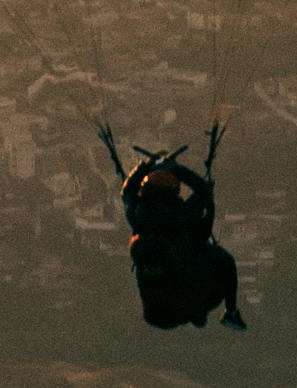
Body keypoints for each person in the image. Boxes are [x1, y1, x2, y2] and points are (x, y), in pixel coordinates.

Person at [98, 120, 243, 332]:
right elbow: (203, 192)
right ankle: (231, 313)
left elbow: (127, 192)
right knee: (227, 263)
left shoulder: (137, 212)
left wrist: (144, 166)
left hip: (163, 304)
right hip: (181, 286)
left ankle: (223, 313)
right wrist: (177, 169)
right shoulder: (181, 214)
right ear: (174, 190)